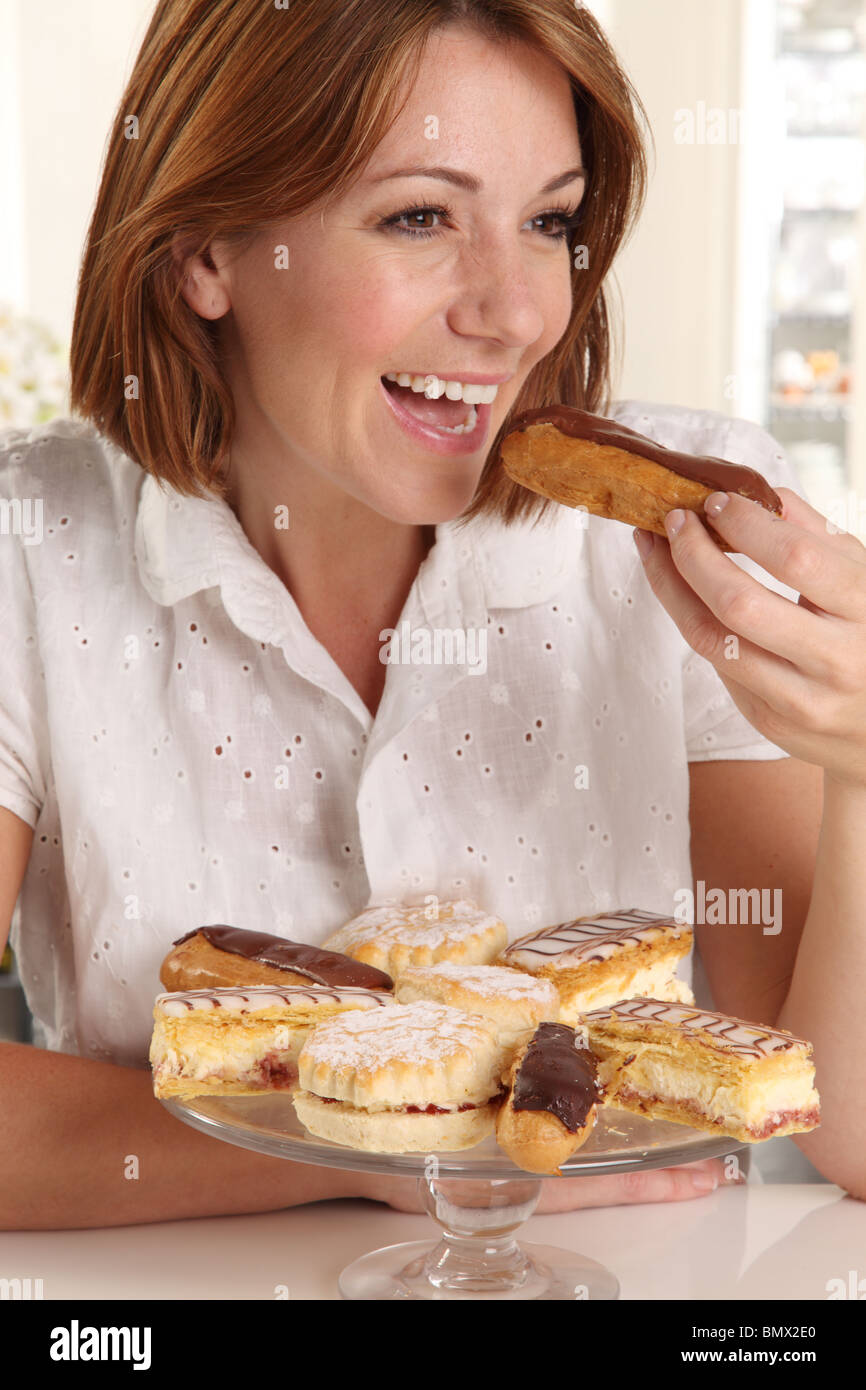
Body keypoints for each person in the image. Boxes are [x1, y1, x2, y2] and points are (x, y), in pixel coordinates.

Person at [0, 0, 862, 1233]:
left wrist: (861, 769)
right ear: (205, 248)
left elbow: (842, 1122)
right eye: (419, 216)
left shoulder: (668, 544)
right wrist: (375, 1143)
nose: (516, 313)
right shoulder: (32, 544)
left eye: (548, 222)